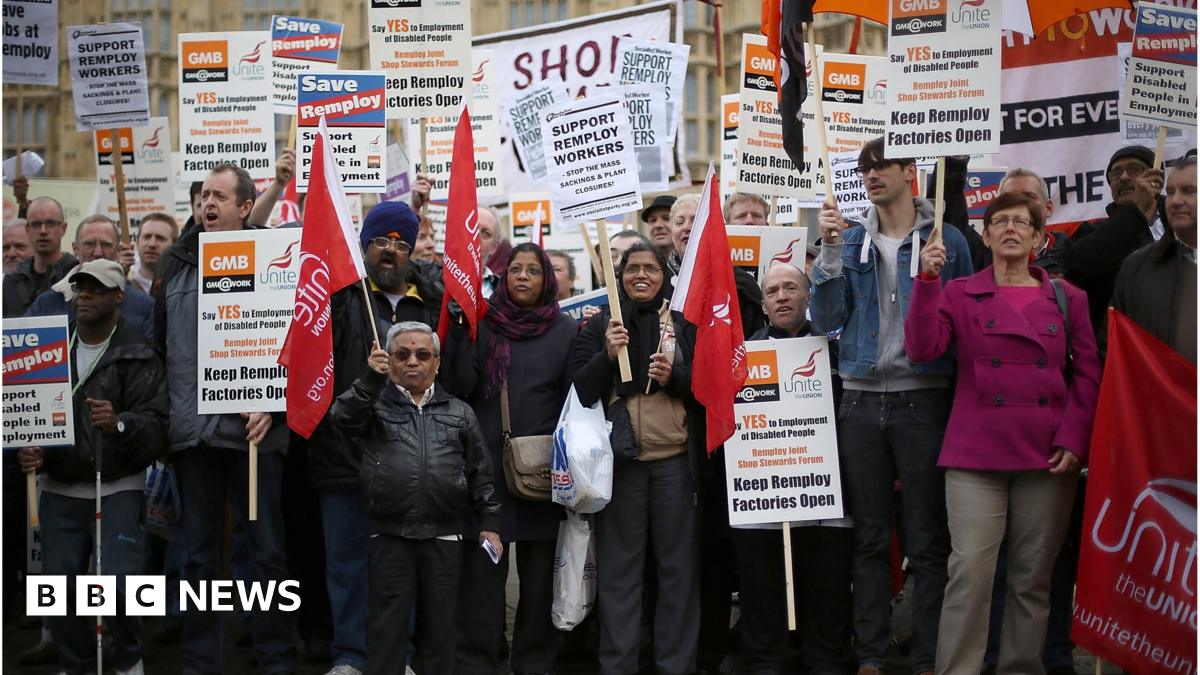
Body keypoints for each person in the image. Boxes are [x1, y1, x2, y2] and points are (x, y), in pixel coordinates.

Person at [905, 191, 1101, 675]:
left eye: (1022, 222)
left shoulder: (1069, 298)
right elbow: (923, 349)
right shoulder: (958, 292)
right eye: (1001, 222)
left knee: (1031, 578)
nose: (1011, 228)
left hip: (1047, 457)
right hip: (975, 456)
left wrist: (1074, 439)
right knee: (969, 573)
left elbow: (1088, 375)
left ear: (1038, 238)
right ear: (987, 235)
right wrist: (926, 281)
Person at [811, 136, 974, 675]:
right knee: (870, 537)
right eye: (865, 168)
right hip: (860, 401)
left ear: (910, 171)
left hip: (924, 399)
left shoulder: (947, 238)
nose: (871, 175)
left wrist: (934, 275)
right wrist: (828, 252)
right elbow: (825, 320)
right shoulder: (850, 238)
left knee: (927, 539)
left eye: (882, 165)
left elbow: (966, 323)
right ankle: (872, 654)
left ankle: (928, 655)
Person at [153, 162, 296, 675]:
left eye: (219, 196)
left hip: (255, 434)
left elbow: (296, 345)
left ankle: (276, 660)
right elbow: (160, 351)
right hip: (194, 438)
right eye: (203, 196)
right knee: (199, 558)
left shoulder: (277, 259)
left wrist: (274, 405)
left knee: (267, 554)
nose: (207, 203)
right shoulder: (176, 264)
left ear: (245, 206)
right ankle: (200, 663)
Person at [309, 200, 443, 675]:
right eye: (380, 241)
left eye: (401, 244)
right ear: (363, 246)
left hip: (409, 456)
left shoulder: (432, 299)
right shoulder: (337, 296)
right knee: (346, 562)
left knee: (399, 565)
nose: (390, 250)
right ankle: (349, 655)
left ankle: (397, 656)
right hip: (343, 454)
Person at [18, 259, 168, 675]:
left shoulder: (139, 352)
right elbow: (25, 416)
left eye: (95, 288)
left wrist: (119, 424)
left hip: (118, 485)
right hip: (60, 486)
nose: (83, 295)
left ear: (119, 296)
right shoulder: (46, 350)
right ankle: (77, 665)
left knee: (119, 587)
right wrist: (31, 453)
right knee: (56, 593)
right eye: (79, 288)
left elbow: (158, 427)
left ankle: (128, 660)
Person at [331, 322, 502, 675]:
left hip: (445, 535)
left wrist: (490, 523)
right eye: (402, 354)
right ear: (389, 360)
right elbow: (341, 419)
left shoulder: (459, 412)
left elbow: (481, 473)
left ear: (437, 363)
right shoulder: (373, 405)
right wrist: (369, 378)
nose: (412, 362)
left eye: (423, 355)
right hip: (390, 534)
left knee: (442, 628)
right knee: (387, 628)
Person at [443, 243, 578, 675]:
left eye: (533, 271)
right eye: (515, 269)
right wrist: (459, 333)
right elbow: (459, 385)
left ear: (547, 280)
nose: (522, 277)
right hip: (487, 471)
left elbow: (575, 396)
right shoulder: (484, 324)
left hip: (542, 472)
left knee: (538, 582)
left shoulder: (565, 330)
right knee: (483, 579)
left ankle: (533, 661)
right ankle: (480, 660)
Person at [571, 241, 704, 675]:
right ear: (620, 276)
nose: (641, 275)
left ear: (665, 276)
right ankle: (618, 665)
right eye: (632, 269)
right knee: (619, 572)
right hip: (621, 467)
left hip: (675, 465)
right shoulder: (600, 324)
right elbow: (579, 390)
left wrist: (675, 378)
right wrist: (607, 357)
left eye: (650, 268)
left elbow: (709, 386)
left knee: (678, 571)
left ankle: (676, 666)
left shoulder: (683, 321)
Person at [733, 262, 853, 674]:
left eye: (790, 288)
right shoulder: (741, 356)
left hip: (825, 491)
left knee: (827, 584)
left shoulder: (835, 351)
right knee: (762, 586)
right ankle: (767, 659)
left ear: (808, 296)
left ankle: (826, 657)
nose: (781, 296)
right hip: (762, 494)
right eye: (772, 291)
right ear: (763, 305)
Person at [667, 192, 764, 669]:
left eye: (697, 218)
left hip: (744, 438)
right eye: (680, 220)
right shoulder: (659, 291)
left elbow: (753, 357)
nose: (688, 226)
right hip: (686, 447)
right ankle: (704, 652)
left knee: (743, 548)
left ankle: (752, 648)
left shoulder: (740, 286)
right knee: (701, 554)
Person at [1066, 145, 1165, 347]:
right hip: (1121, 347)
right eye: (1116, 173)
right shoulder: (1091, 233)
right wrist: (1136, 213)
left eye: (1135, 169)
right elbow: (1082, 269)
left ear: (1156, 178)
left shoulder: (1183, 223)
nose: (1124, 177)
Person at [1112, 156, 1197, 363]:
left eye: (1188, 191)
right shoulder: (1136, 267)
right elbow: (1117, 347)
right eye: (1170, 192)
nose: (1175, 201)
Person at [26, 215, 157, 343]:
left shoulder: (144, 306)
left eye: (106, 245)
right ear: (75, 249)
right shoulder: (47, 304)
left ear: (118, 250)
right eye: (89, 244)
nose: (98, 252)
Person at [3, 196, 76, 317]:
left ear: (63, 228)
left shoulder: (76, 277)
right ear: (27, 229)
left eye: (50, 223)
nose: (43, 231)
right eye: (36, 224)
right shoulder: (10, 282)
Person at [129, 213, 179, 293]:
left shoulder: (183, 287)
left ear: (175, 244)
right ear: (137, 242)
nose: (152, 244)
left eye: (160, 238)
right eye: (147, 237)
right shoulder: (123, 286)